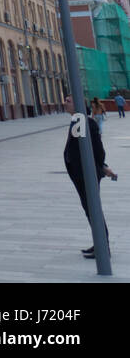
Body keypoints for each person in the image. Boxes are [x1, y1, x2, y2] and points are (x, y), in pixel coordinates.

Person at [64, 96, 117, 258]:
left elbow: (97, 149)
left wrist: (101, 165)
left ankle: (103, 247)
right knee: (90, 210)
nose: (64, 103)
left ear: (79, 103)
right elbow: (81, 148)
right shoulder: (78, 120)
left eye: (68, 100)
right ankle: (99, 243)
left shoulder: (86, 122)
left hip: (86, 175)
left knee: (93, 210)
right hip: (81, 175)